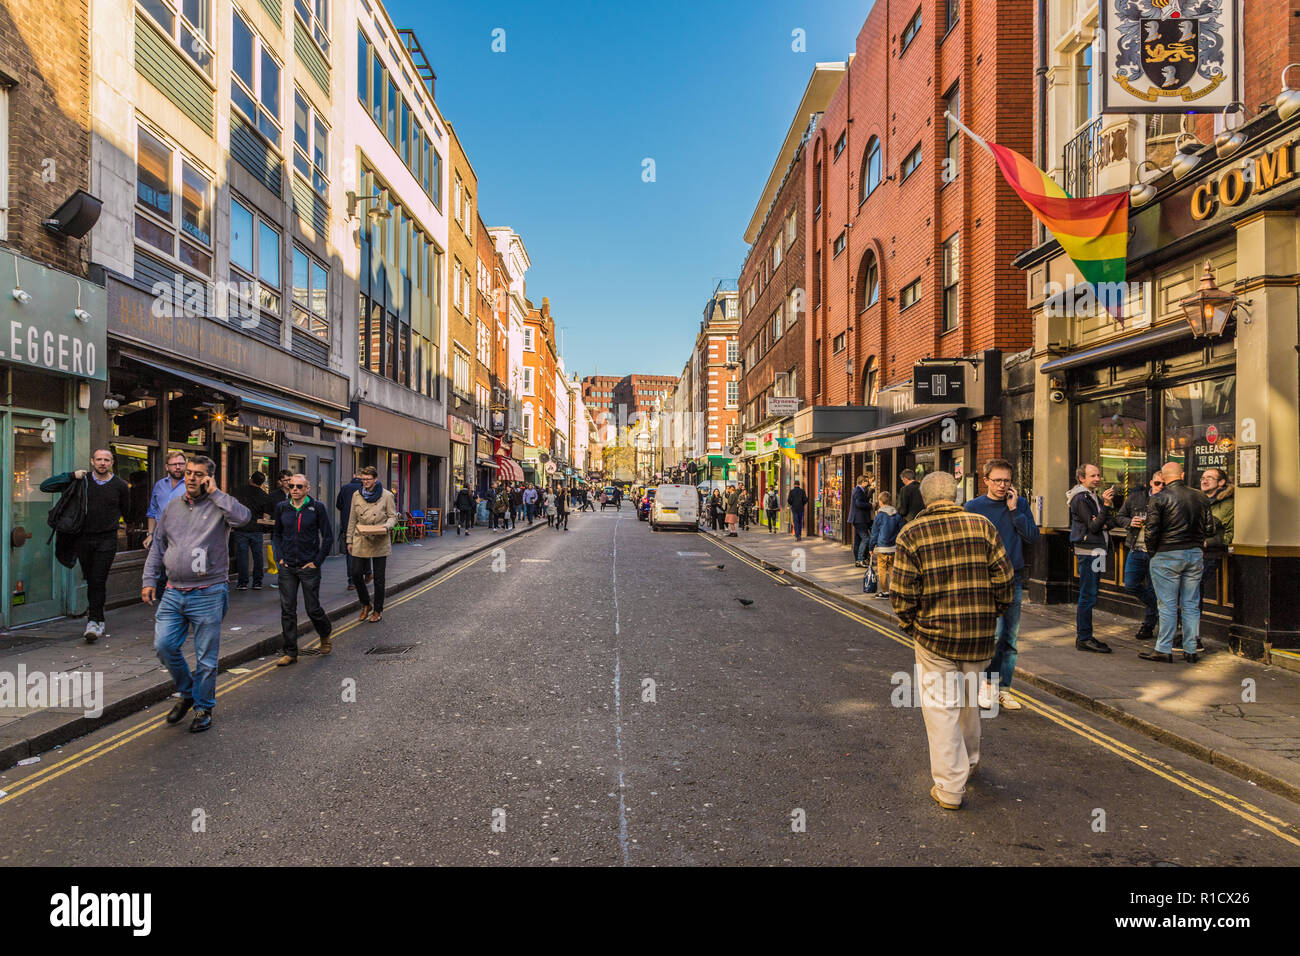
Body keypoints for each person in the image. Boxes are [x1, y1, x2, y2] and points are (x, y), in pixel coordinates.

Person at [889, 471, 1015, 810]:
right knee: (968, 701)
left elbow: (901, 593)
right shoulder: (983, 526)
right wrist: (994, 614)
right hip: (978, 633)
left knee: (940, 709)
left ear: (926, 499)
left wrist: (912, 626)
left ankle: (949, 788)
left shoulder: (912, 533)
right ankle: (970, 761)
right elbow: (1004, 580)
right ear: (956, 495)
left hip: (935, 635)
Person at [142, 455, 251, 734]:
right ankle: (187, 691)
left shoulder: (220, 506)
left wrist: (215, 493)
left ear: (209, 478)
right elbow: (158, 546)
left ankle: (203, 707)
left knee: (205, 658)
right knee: (164, 646)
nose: (190, 477)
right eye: (188, 472)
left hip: (208, 592)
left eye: (198, 474)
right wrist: (148, 579)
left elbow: (243, 517)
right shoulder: (171, 508)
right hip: (173, 592)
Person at [964, 459, 1040, 713]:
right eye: (997, 480)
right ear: (985, 480)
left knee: (1010, 638)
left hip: (1014, 578)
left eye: (1006, 480)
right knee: (993, 635)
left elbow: (1032, 536)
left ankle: (1003, 690)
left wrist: (1015, 510)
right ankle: (985, 684)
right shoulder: (973, 507)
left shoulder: (1020, 505)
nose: (1002, 485)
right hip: (986, 580)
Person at [41, 448, 131, 642]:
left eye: (106, 460)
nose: (102, 463)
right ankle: (97, 618)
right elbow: (45, 486)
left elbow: (127, 511)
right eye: (99, 459)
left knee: (98, 579)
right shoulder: (82, 481)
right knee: (91, 579)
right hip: (83, 538)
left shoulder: (120, 485)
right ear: (92, 461)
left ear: (112, 463)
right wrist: (71, 475)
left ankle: (94, 621)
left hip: (107, 539)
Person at [1141, 461, 1214, 663]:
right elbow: (1210, 528)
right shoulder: (1201, 496)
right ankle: (1191, 649)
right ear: (1182, 475)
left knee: (1167, 605)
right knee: (1191, 603)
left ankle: (1164, 648)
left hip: (1167, 554)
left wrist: (1153, 552)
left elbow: (1151, 531)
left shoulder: (1158, 498)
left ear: (1163, 478)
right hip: (1195, 554)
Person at [272, 475, 333, 666]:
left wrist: (316, 561)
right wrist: (280, 558)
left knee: (312, 608)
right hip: (288, 567)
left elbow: (328, 537)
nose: (295, 489)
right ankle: (290, 652)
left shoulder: (317, 507)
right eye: (291, 486)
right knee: (287, 610)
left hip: (308, 566)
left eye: (299, 486)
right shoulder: (282, 507)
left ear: (308, 488)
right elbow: (276, 535)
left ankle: (324, 634)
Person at [1067, 463, 1118, 654]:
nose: (1097, 478)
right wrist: (1104, 508)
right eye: (1092, 476)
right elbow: (1095, 526)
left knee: (1093, 592)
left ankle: (1086, 635)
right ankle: (1084, 638)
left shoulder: (1093, 496)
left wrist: (1102, 517)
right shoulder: (1080, 498)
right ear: (1082, 478)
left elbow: (1109, 521)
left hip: (1098, 550)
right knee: (1088, 594)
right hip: (1089, 551)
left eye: (1098, 475)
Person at [1115, 471, 1164, 642]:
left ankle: (1148, 625)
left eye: (1164, 484)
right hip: (1136, 548)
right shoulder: (1135, 498)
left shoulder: (1169, 500)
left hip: (1156, 552)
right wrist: (1130, 522)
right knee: (1130, 584)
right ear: (1151, 483)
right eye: (1158, 483)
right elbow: (1119, 516)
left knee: (1152, 588)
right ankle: (1159, 609)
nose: (1161, 487)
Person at [347, 466, 397, 624]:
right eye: (363, 479)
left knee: (379, 579)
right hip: (360, 537)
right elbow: (352, 519)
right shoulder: (356, 495)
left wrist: (386, 527)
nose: (365, 482)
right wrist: (349, 540)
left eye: (368, 479)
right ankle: (366, 604)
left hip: (379, 538)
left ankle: (377, 610)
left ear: (375, 479)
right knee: (355, 573)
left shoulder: (387, 495)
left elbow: (392, 517)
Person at [1200, 466, 1233, 620]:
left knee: (1192, 589)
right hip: (1192, 551)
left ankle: (1192, 635)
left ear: (1221, 482)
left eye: (1209, 478)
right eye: (1203, 478)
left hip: (1211, 554)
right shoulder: (1198, 500)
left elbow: (1231, 534)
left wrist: (1208, 542)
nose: (1204, 481)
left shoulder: (1227, 504)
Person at [232, 472, 272, 591]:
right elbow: (266, 516)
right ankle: (257, 582)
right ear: (261, 482)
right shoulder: (264, 495)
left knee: (242, 556)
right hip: (257, 529)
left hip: (241, 528)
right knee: (258, 556)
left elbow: (233, 508)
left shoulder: (239, 491)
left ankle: (242, 582)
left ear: (251, 480)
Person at [143, 451, 188, 553]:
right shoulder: (159, 485)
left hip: (182, 540)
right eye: (174, 464)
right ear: (167, 467)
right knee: (153, 568)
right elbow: (153, 511)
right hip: (159, 539)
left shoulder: (191, 486)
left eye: (181, 464)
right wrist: (150, 534)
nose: (178, 467)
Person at [868, 491, 904, 598]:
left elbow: (874, 533)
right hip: (894, 548)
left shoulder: (879, 516)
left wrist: (871, 547)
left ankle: (885, 591)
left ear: (880, 502)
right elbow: (901, 531)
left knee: (882, 569)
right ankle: (894, 590)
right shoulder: (897, 515)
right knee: (892, 568)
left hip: (882, 547)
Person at [336, 471, 364, 582]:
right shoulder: (365, 489)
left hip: (348, 526)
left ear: (354, 476)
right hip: (363, 526)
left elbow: (339, 505)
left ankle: (352, 580)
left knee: (350, 552)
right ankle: (365, 573)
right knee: (364, 551)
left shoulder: (345, 488)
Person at [850, 475, 874, 567]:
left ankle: (857, 560)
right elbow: (859, 504)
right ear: (863, 482)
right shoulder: (858, 490)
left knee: (858, 540)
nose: (868, 483)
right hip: (859, 518)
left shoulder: (859, 490)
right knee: (866, 538)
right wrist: (871, 505)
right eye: (867, 481)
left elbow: (863, 500)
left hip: (858, 518)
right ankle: (860, 559)